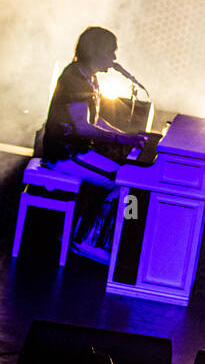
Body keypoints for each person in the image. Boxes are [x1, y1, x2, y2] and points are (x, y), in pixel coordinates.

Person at [41, 27, 147, 258]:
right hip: (63, 155)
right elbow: (82, 127)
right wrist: (123, 138)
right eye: (110, 52)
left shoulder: (88, 77)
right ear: (95, 51)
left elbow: (94, 119)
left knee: (127, 178)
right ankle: (84, 240)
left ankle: (95, 237)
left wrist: (125, 137)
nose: (114, 59)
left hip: (75, 152)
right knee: (122, 181)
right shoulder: (75, 80)